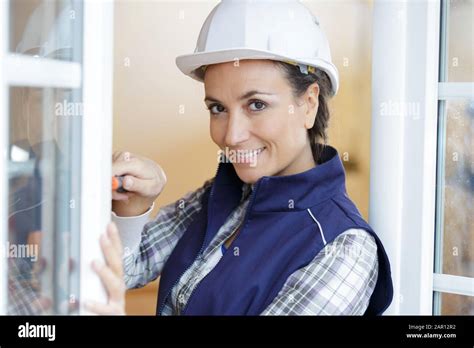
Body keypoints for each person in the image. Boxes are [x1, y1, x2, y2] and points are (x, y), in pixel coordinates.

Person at [87, 0, 393, 315]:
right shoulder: (222, 194)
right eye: (217, 108)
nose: (231, 136)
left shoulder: (342, 248)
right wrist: (132, 205)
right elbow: (126, 269)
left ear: (309, 104)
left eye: (256, 104)